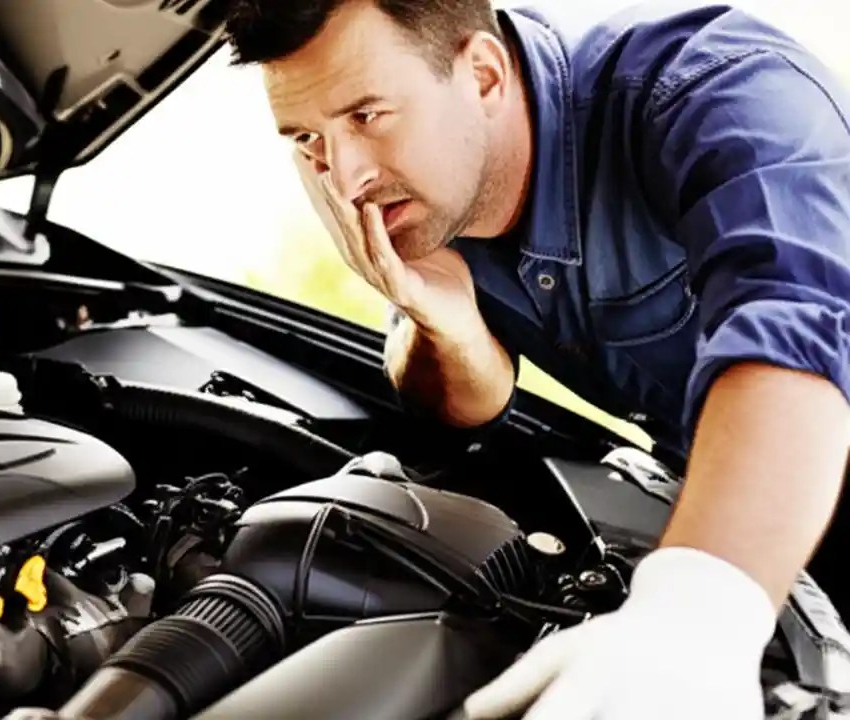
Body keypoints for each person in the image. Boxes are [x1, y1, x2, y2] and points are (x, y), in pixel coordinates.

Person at [220, 0, 850, 717]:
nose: (345, 177)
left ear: (483, 75)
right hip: (752, 510)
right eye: (307, 138)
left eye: (367, 117)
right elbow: (467, 405)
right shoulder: (439, 192)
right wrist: (445, 326)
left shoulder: (714, 87)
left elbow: (800, 330)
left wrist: (697, 611)